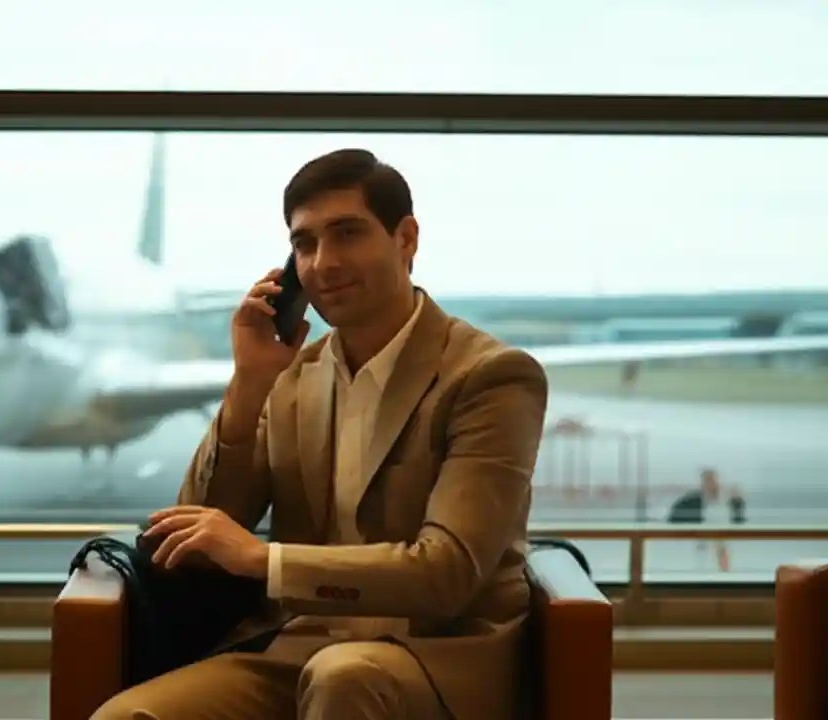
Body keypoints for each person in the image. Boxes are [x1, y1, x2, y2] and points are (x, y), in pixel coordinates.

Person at [92, 149, 549, 720]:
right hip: (303, 644)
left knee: (344, 679)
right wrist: (248, 384)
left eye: (347, 234)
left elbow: (447, 573)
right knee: (126, 717)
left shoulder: (489, 376)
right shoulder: (292, 377)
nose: (323, 263)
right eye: (304, 244)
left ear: (406, 238)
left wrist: (266, 561)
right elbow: (200, 532)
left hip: (438, 651)